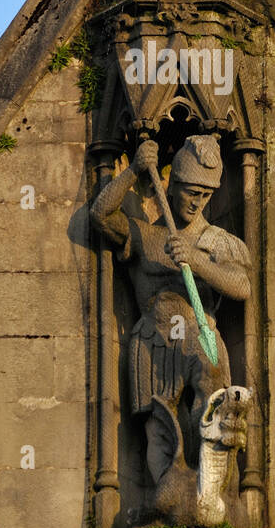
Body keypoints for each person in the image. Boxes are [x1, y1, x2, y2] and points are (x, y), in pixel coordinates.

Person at [90, 134, 250, 488]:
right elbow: (100, 215)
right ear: (172, 184)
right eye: (192, 192)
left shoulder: (218, 242)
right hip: (154, 340)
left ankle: (210, 486)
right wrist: (133, 169)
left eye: (206, 195)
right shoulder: (146, 236)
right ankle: (168, 495)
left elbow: (242, 287)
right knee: (159, 428)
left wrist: (195, 261)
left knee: (209, 404)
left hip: (201, 338)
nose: (198, 203)